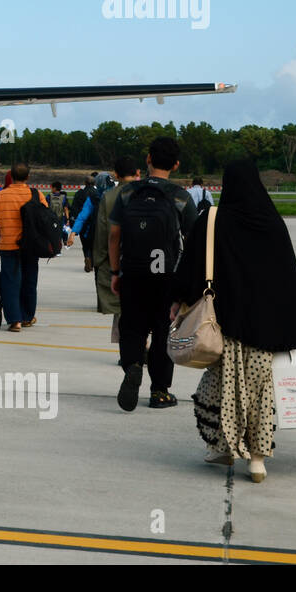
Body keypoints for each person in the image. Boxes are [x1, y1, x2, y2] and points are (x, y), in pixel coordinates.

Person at [172, 159, 296, 482]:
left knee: (220, 387)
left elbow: (190, 265)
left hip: (222, 325)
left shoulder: (211, 220)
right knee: (260, 392)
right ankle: (257, 459)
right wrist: (295, 327)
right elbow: (288, 279)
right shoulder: (273, 224)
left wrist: (178, 301)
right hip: (262, 329)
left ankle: (222, 447)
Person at [109, 136, 198, 411]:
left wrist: (115, 271)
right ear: (176, 164)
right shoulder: (181, 198)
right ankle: (159, 391)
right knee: (163, 331)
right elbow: (194, 240)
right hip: (166, 276)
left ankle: (133, 365)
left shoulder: (127, 194)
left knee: (132, 327)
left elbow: (114, 235)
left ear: (147, 159)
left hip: (132, 273)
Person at [0, 163, 47, 332]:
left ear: (11, 176)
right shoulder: (36, 194)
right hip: (31, 245)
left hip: (9, 245)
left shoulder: (1, 196)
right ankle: (27, 317)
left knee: (10, 282)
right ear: (27, 177)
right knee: (29, 281)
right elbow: (45, 218)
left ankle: (15, 321)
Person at [80, 160, 136, 350]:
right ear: (137, 172)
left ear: (116, 175)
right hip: (149, 261)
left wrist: (101, 261)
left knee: (121, 309)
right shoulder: (146, 192)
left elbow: (104, 233)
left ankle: (128, 351)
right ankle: (143, 344)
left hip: (120, 260)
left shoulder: (110, 196)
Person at [69, 173, 98, 271]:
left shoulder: (79, 193)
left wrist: (73, 224)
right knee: (94, 244)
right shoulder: (97, 193)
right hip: (94, 223)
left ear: (85, 183)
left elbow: (74, 209)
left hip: (82, 223)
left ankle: (87, 257)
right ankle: (92, 262)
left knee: (85, 244)